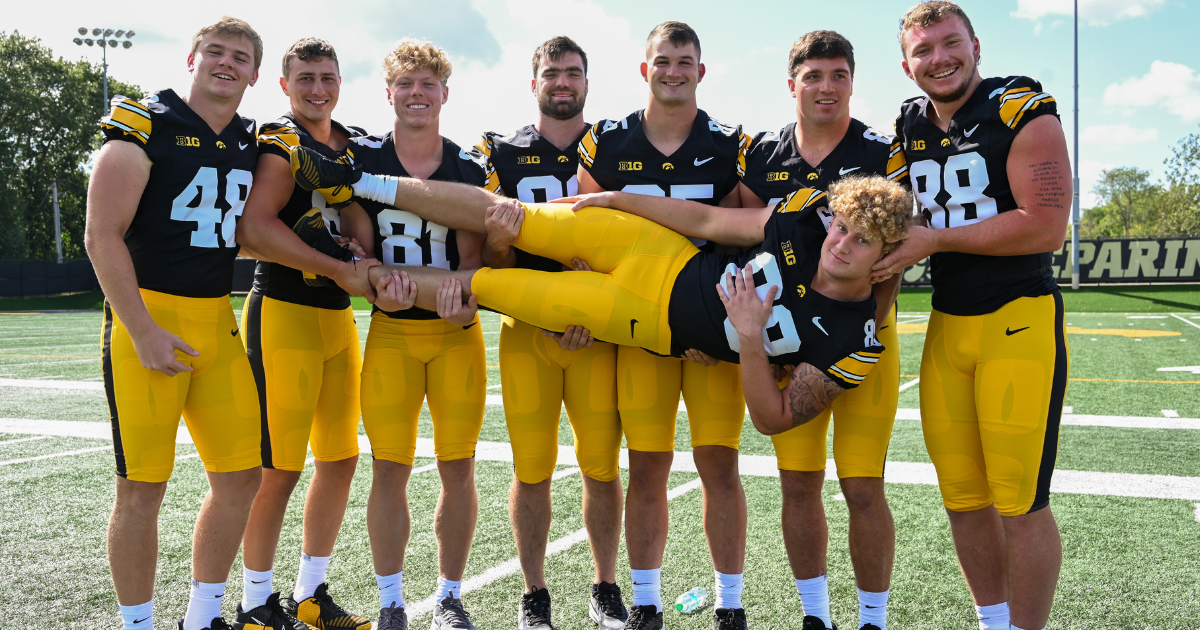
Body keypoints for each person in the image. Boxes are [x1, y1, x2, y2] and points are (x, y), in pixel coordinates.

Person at [288, 146, 908, 434]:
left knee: (487, 285)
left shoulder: (857, 342)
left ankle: (348, 270)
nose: (841, 242)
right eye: (844, 226)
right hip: (656, 250)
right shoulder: (806, 219)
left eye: (861, 242)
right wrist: (616, 199)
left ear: (886, 259)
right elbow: (710, 223)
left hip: (644, 318)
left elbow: (772, 420)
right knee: (513, 216)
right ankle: (355, 180)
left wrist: (748, 338)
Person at [870, 3, 1072, 630]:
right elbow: (894, 227)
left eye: (950, 43)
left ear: (976, 45)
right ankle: (993, 623)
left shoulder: (1018, 109)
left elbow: (1044, 227)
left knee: (1020, 503)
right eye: (924, 50)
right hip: (947, 324)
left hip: (1018, 317)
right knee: (961, 498)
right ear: (907, 66)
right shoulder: (908, 126)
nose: (940, 58)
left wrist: (937, 241)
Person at [85, 16, 268, 630]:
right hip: (150, 316)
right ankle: (137, 624)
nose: (226, 63)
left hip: (217, 320)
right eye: (215, 51)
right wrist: (140, 329)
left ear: (254, 73)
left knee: (242, 475)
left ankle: (202, 615)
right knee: (142, 487)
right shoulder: (146, 123)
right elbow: (100, 234)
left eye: (240, 57)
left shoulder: (254, 141)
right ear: (191, 57)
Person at [575, 21, 751, 630]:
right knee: (647, 465)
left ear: (701, 71)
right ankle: (646, 602)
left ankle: (731, 604)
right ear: (644, 69)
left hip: (710, 335)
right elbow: (585, 237)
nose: (673, 70)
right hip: (639, 329)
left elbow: (747, 238)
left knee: (719, 466)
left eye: (685, 61)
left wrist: (717, 326)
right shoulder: (607, 140)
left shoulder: (733, 143)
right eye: (663, 60)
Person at [737, 31, 907, 630]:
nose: (826, 86)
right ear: (792, 85)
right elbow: (733, 228)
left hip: (857, 342)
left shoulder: (884, 151)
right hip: (785, 342)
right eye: (813, 75)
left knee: (863, 488)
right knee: (798, 484)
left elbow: (902, 249)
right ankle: (816, 617)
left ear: (853, 82)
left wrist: (869, 322)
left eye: (838, 74)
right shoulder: (763, 154)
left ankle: (872, 619)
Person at [340, 37, 494, 630]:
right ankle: (390, 601)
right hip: (392, 334)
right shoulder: (364, 162)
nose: (416, 94)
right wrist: (377, 285)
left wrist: (462, 301)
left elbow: (474, 265)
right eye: (405, 84)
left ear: (445, 94)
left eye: (427, 84)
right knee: (390, 468)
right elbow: (362, 259)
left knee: (458, 467)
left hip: (456, 333)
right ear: (388, 93)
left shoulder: (468, 168)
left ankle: (451, 596)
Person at [474, 36, 627, 630]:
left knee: (601, 466)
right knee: (531, 467)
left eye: (573, 73)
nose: (562, 82)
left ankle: (605, 586)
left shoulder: (615, 147)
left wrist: (596, 298)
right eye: (552, 73)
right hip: (528, 330)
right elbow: (492, 261)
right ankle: (534, 594)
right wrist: (498, 240)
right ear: (533, 81)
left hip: (598, 334)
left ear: (587, 81)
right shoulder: (499, 152)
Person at [233, 37, 374, 630]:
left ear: (341, 81)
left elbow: (363, 214)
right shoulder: (278, 142)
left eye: (328, 77)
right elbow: (255, 229)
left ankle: (309, 593)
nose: (318, 88)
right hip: (284, 314)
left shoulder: (353, 142)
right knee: (278, 469)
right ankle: (254, 602)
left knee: (340, 460)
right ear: (284, 84)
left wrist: (360, 244)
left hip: (337, 318)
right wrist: (340, 266)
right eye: (306, 78)